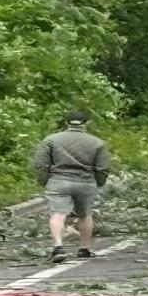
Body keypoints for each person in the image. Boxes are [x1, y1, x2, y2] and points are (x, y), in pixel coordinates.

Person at [33, 110, 111, 263]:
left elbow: (41, 163)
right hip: (86, 182)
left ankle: (58, 247)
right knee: (85, 214)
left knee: (58, 214)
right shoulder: (97, 142)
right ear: (87, 124)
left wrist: (45, 181)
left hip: (59, 181)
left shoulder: (51, 140)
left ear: (66, 123)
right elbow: (103, 167)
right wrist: (98, 182)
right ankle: (84, 248)